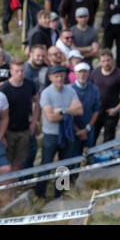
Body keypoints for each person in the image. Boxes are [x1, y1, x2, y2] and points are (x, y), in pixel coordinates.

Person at [35, 65, 81, 200]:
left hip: (67, 133)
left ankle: (60, 194)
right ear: (50, 78)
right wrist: (68, 115)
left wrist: (63, 110)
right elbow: (50, 117)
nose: (60, 79)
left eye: (61, 76)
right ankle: (40, 193)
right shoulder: (46, 93)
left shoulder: (70, 90)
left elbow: (79, 110)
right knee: (46, 163)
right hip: (50, 134)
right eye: (56, 76)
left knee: (65, 164)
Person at [0, 59, 39, 172]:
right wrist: (1, 135)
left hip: (25, 129)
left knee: (19, 162)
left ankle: (16, 187)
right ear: (11, 71)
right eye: (17, 71)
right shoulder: (3, 89)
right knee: (7, 163)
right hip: (9, 131)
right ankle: (7, 188)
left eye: (22, 71)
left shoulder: (30, 84)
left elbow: (37, 101)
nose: (20, 73)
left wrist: (34, 122)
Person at [89, 50, 120, 145]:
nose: (106, 63)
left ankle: (107, 159)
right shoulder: (95, 73)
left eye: (108, 60)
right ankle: (89, 158)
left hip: (111, 112)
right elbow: (89, 90)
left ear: (112, 60)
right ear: (100, 62)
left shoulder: (119, 75)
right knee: (92, 137)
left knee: (108, 140)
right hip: (96, 111)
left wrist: (117, 109)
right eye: (103, 61)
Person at [69, 62, 101, 156]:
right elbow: (68, 113)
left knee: (87, 155)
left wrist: (87, 129)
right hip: (73, 130)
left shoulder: (94, 89)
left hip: (89, 128)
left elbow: (96, 110)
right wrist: (78, 130)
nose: (82, 75)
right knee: (73, 156)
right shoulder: (69, 90)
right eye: (80, 72)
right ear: (75, 74)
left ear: (88, 73)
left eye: (85, 72)